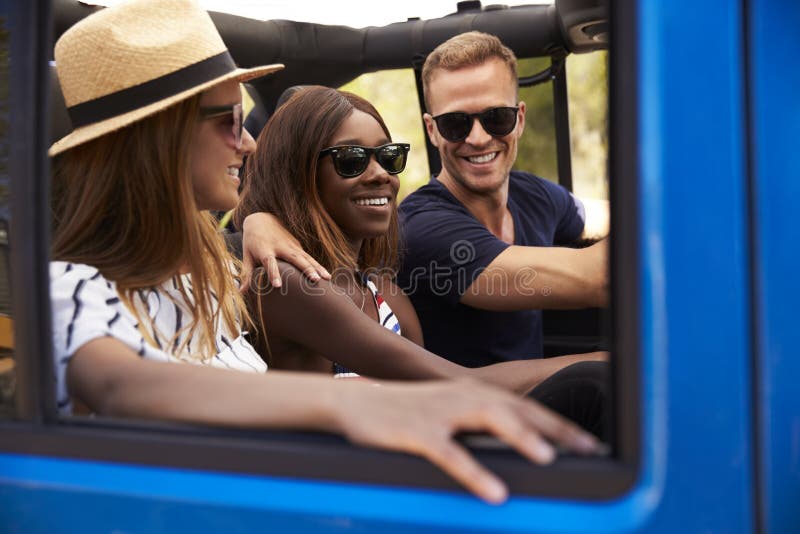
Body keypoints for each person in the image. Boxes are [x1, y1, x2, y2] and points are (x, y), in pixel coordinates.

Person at [47, 0, 601, 504]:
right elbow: (120, 384)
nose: (247, 142)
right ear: (158, 137)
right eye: (230, 121)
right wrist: (357, 402)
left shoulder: (207, 279)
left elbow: (241, 229)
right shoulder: (70, 286)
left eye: (389, 154)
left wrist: (257, 219)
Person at [233, 86, 608, 439]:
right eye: (352, 159)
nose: (380, 173)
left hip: (401, 468)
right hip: (334, 491)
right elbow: (453, 383)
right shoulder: (283, 283)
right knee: (595, 390)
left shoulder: (385, 293)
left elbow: (435, 398)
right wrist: (602, 362)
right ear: (298, 174)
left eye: (389, 156)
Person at [396, 31, 610, 367]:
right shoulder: (421, 229)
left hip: (534, 407)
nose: (478, 138)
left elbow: (609, 215)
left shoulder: (533, 194)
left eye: (497, 118)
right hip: (463, 415)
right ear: (432, 131)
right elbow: (604, 278)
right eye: (455, 124)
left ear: (519, 119)